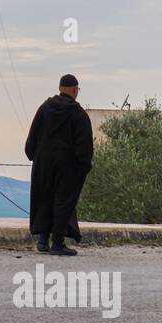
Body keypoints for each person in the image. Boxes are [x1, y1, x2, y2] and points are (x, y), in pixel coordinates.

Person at [25, 74, 93, 256]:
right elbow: (84, 145)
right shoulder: (78, 114)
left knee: (45, 198)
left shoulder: (45, 108)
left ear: (60, 88)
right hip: (67, 166)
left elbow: (32, 137)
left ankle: (42, 239)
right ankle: (57, 243)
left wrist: (32, 155)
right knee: (63, 202)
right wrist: (84, 166)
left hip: (43, 163)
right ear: (74, 90)